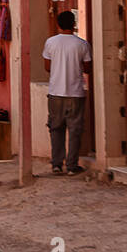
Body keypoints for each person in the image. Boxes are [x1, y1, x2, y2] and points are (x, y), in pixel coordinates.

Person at [43, 9, 92, 175]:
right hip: (75, 92)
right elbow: (87, 68)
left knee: (56, 128)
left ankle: (56, 163)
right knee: (75, 129)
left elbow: (47, 67)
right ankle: (72, 165)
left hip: (55, 92)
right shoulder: (82, 44)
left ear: (58, 24)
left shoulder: (50, 42)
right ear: (74, 24)